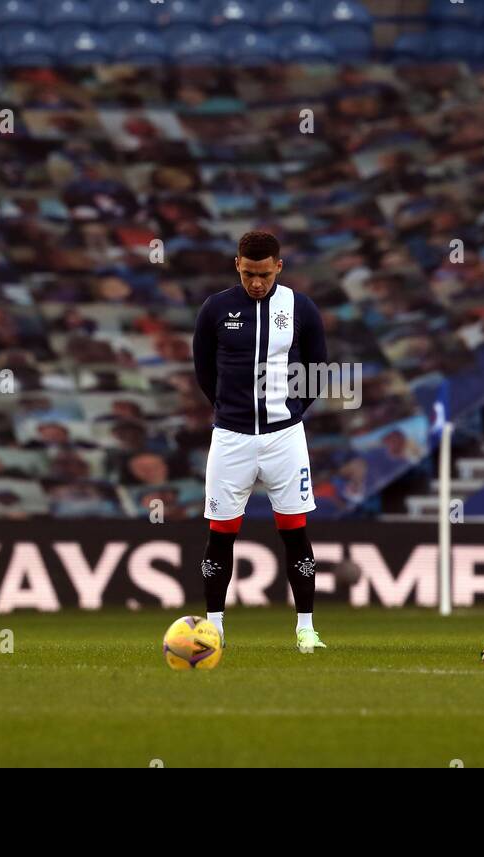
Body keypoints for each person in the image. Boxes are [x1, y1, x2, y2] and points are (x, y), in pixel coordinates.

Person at [192, 231, 329, 653]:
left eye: (265, 274)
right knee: (221, 534)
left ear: (279, 268)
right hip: (230, 437)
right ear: (237, 265)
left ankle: (306, 628)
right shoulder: (215, 308)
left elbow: (318, 367)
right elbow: (203, 368)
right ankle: (214, 630)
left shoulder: (300, 307)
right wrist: (228, 410)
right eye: (250, 273)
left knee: (294, 532)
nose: (256, 283)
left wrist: (292, 413)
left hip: (284, 437)